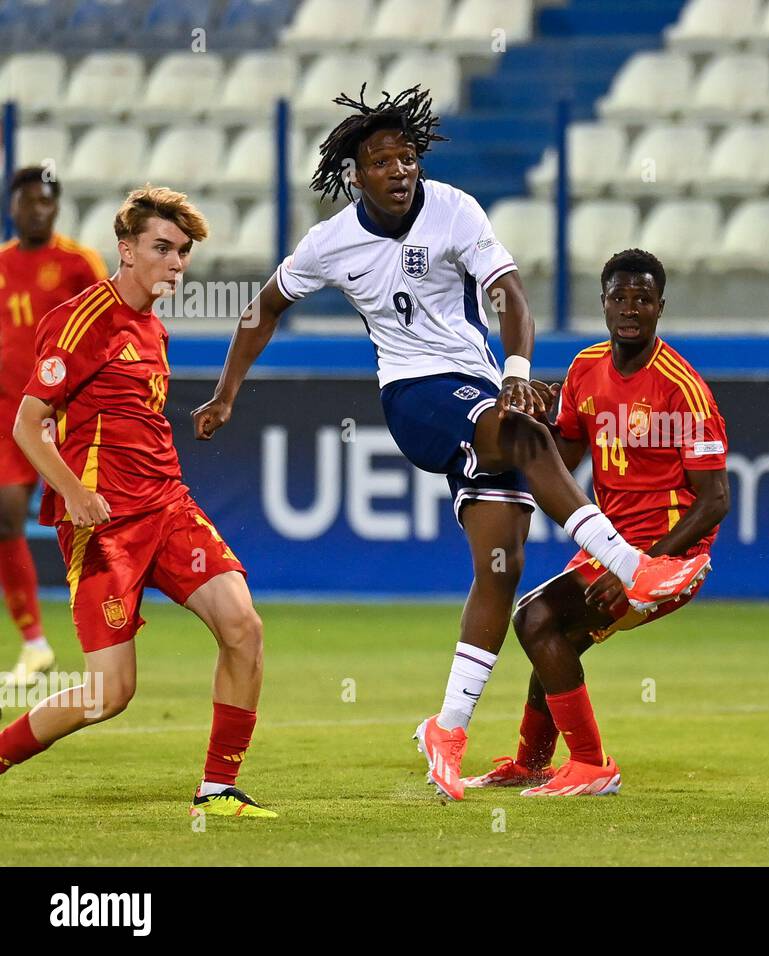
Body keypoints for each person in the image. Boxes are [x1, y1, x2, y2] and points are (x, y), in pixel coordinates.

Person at [190, 86, 709, 801]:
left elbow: (510, 296)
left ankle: (450, 727)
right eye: (382, 161)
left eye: (408, 157)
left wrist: (519, 373)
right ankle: (632, 564)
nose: (401, 170)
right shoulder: (330, 241)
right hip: (417, 397)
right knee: (527, 434)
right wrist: (226, 391)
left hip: (481, 389)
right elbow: (264, 306)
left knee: (501, 569)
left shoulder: (456, 208)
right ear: (356, 175)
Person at [0, 186, 274, 816]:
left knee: (243, 627)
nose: (176, 263)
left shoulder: (153, 329)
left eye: (182, 252)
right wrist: (75, 493)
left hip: (167, 507)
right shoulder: (84, 319)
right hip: (105, 527)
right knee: (107, 694)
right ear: (126, 250)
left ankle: (218, 788)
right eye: (161, 248)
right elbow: (26, 422)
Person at [464, 249, 729, 796]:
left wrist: (640, 566)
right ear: (604, 303)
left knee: (534, 620)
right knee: (552, 635)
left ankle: (591, 766)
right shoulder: (586, 369)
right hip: (613, 546)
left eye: (643, 299)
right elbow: (563, 455)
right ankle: (533, 762)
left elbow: (715, 500)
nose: (630, 308)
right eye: (619, 297)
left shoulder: (682, 388)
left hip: (670, 557)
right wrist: (533, 423)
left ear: (661, 308)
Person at [0, 168, 106, 688]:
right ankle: (35, 643)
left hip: (69, 415)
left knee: (91, 517)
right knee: (5, 516)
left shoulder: (77, 263)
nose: (37, 209)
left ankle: (111, 623)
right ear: (12, 206)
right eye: (27, 201)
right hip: (9, 416)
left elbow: (111, 322)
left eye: (45, 201)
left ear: (56, 208)